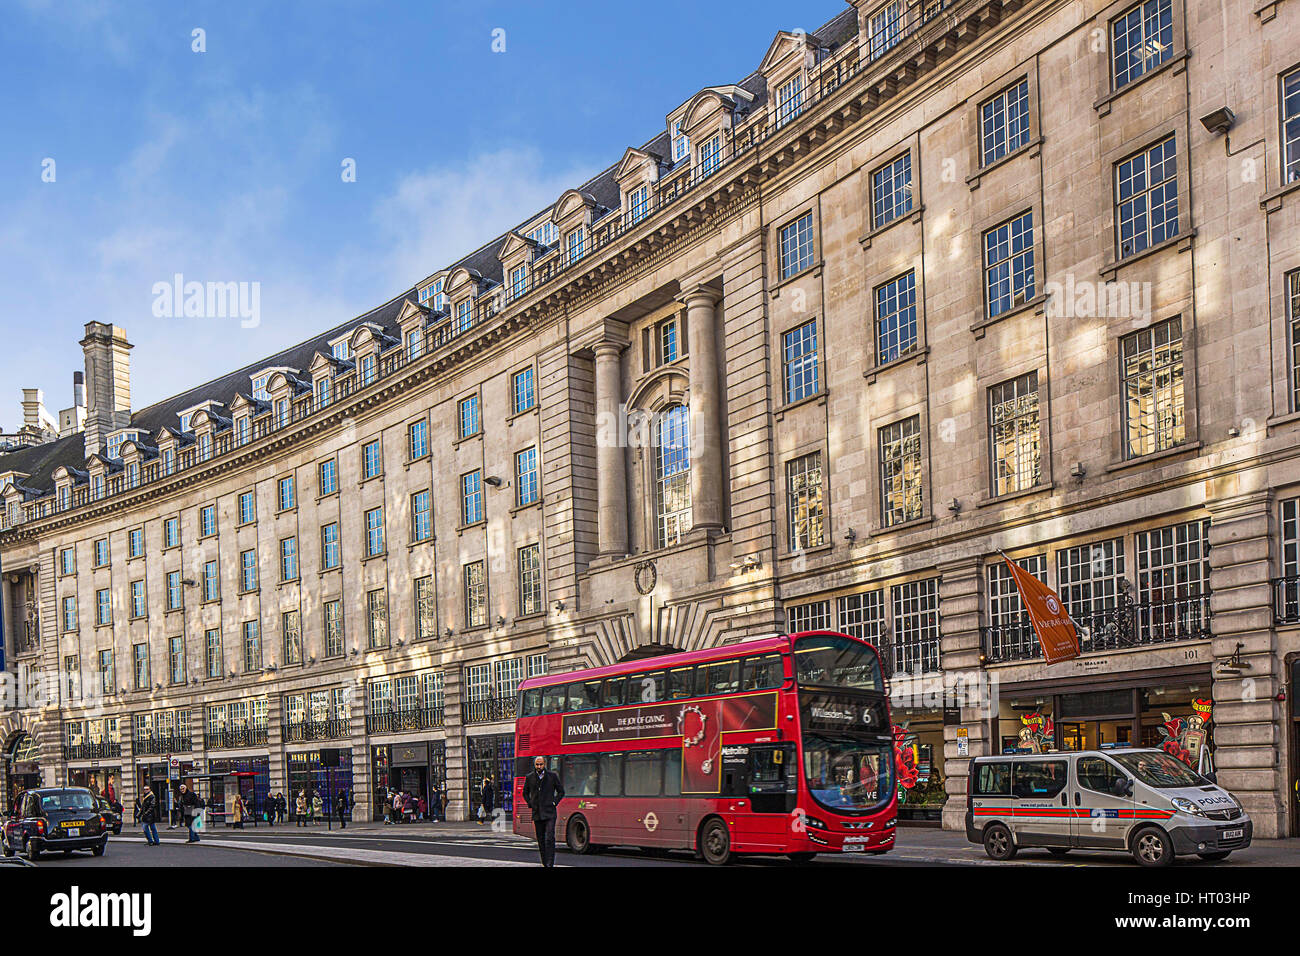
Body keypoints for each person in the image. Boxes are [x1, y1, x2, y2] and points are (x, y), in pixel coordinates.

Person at [523, 756, 565, 867]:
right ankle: (545, 863)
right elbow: (525, 793)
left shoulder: (552, 776)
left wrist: (554, 802)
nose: (539, 767)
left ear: (545, 764)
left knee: (550, 838)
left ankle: (550, 863)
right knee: (541, 840)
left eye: (541, 764)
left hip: (550, 812)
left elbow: (561, 791)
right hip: (537, 813)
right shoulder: (530, 777)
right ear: (534, 765)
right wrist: (530, 803)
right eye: (537, 764)